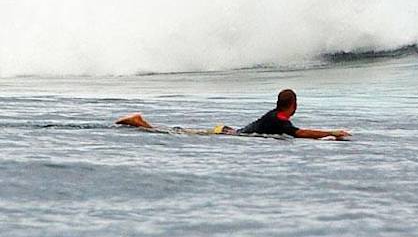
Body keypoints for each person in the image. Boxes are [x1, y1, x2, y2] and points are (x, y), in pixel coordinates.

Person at [115, 88, 350, 139]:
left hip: (227, 131)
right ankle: (139, 123)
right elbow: (300, 133)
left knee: (180, 131)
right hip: (228, 135)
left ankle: (140, 123)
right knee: (175, 133)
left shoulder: (275, 115)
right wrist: (331, 133)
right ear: (294, 105)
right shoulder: (280, 120)